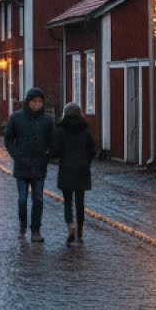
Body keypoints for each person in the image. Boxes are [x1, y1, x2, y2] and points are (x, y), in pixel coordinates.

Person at [4, 88, 54, 243]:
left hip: (39, 165)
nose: (37, 104)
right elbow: (8, 138)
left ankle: (35, 230)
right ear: (28, 102)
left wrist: (47, 156)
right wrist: (16, 155)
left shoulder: (47, 120)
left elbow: (53, 140)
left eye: (39, 102)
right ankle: (23, 223)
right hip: (22, 165)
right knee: (22, 199)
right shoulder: (17, 118)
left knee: (38, 198)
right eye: (34, 101)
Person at [52, 103, 96, 244]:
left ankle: (70, 224)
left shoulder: (60, 130)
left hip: (66, 168)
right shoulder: (85, 130)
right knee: (80, 201)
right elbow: (93, 149)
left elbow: (56, 150)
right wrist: (86, 162)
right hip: (82, 169)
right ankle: (80, 230)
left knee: (68, 201)